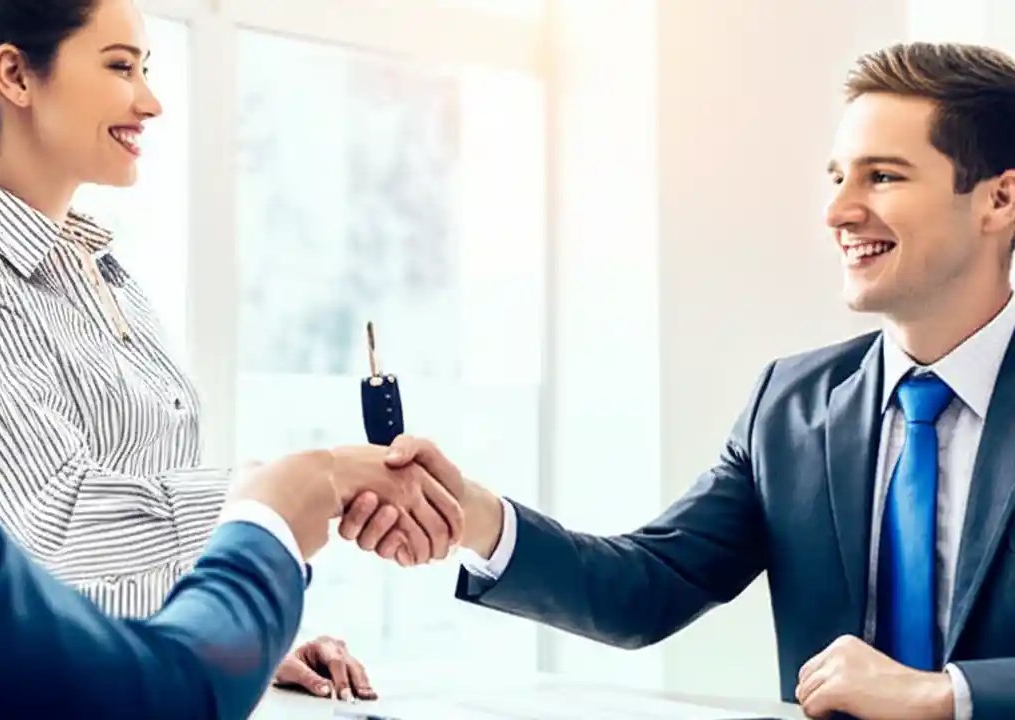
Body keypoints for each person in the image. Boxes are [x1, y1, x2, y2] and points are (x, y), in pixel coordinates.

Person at [0, 0, 462, 715]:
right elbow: (57, 521)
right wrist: (280, 495)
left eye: (145, 67)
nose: (150, 101)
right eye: (121, 67)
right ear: (15, 76)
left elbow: (130, 540)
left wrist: (243, 639)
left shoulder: (108, 274)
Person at [350, 42, 1015, 720]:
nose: (838, 211)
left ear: (999, 198)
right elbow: (645, 588)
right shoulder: (790, 406)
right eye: (837, 177)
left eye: (883, 177)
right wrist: (470, 513)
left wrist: (947, 695)